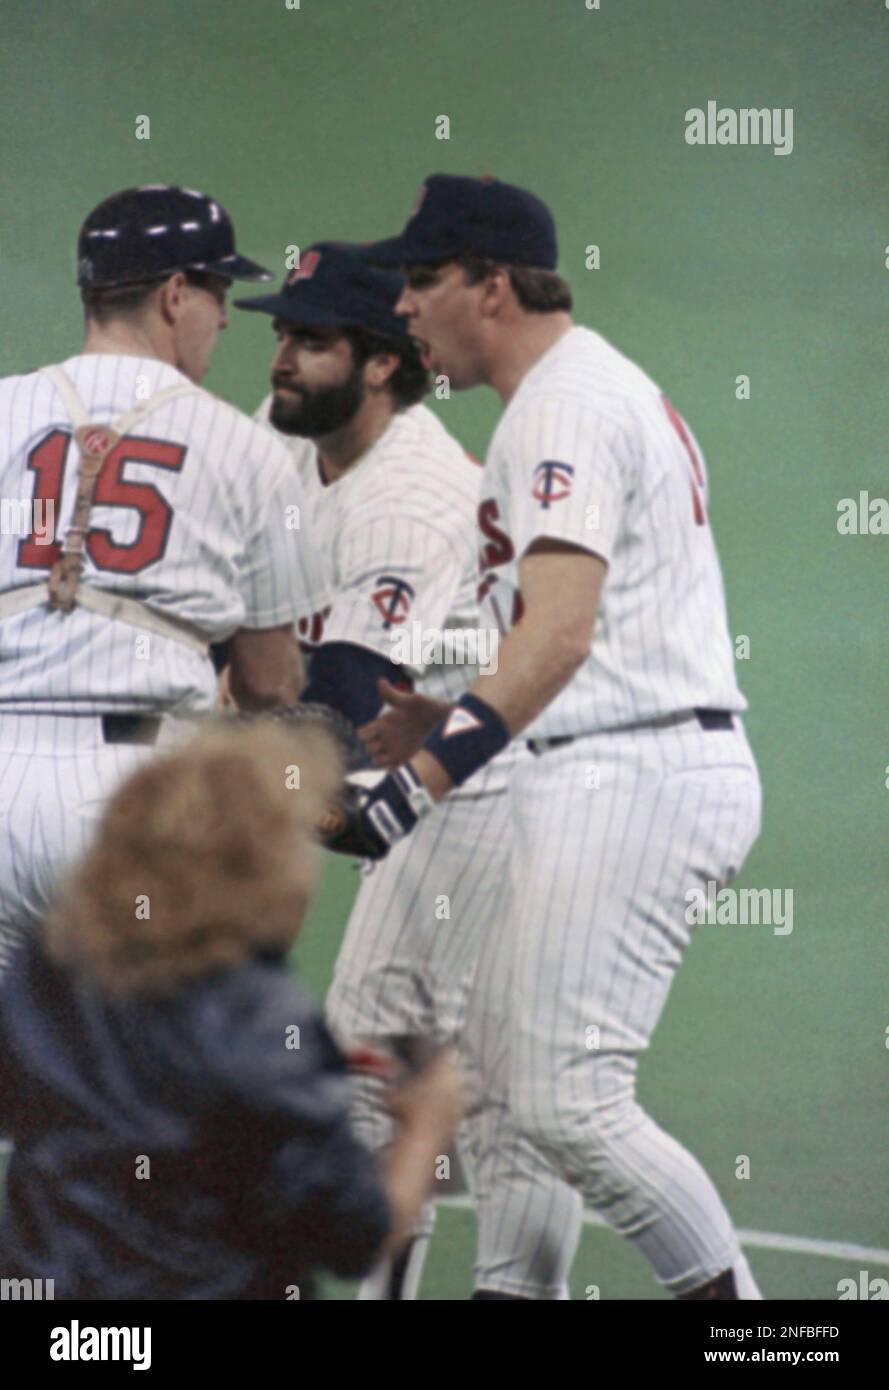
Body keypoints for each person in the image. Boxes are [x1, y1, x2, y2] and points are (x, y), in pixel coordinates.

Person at [333, 173, 764, 1300]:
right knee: (513, 1089)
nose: (406, 305)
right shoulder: (565, 395)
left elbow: (563, 636)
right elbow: (550, 633)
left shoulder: (562, 403)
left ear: (495, 284)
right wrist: (454, 706)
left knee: (566, 1097)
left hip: (636, 766)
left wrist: (421, 776)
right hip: (610, 755)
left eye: (425, 278)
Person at [235, 242, 559, 1299]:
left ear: (380, 363)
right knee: (474, 1072)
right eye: (281, 331)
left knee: (383, 1047)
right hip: (409, 763)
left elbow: (327, 738)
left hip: (490, 780)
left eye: (311, 338)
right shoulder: (289, 429)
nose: (281, 357)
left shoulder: (414, 502)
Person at [0, 720, 464, 1299]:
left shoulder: (43, 974)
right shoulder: (261, 1020)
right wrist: (425, 1127)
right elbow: (353, 1237)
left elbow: (133, 1083)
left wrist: (297, 1068)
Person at [0, 184, 328, 973]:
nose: (222, 318)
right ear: (176, 293)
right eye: (218, 292)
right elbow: (270, 686)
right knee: (147, 1080)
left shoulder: (5, 408)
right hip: (135, 796)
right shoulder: (245, 445)